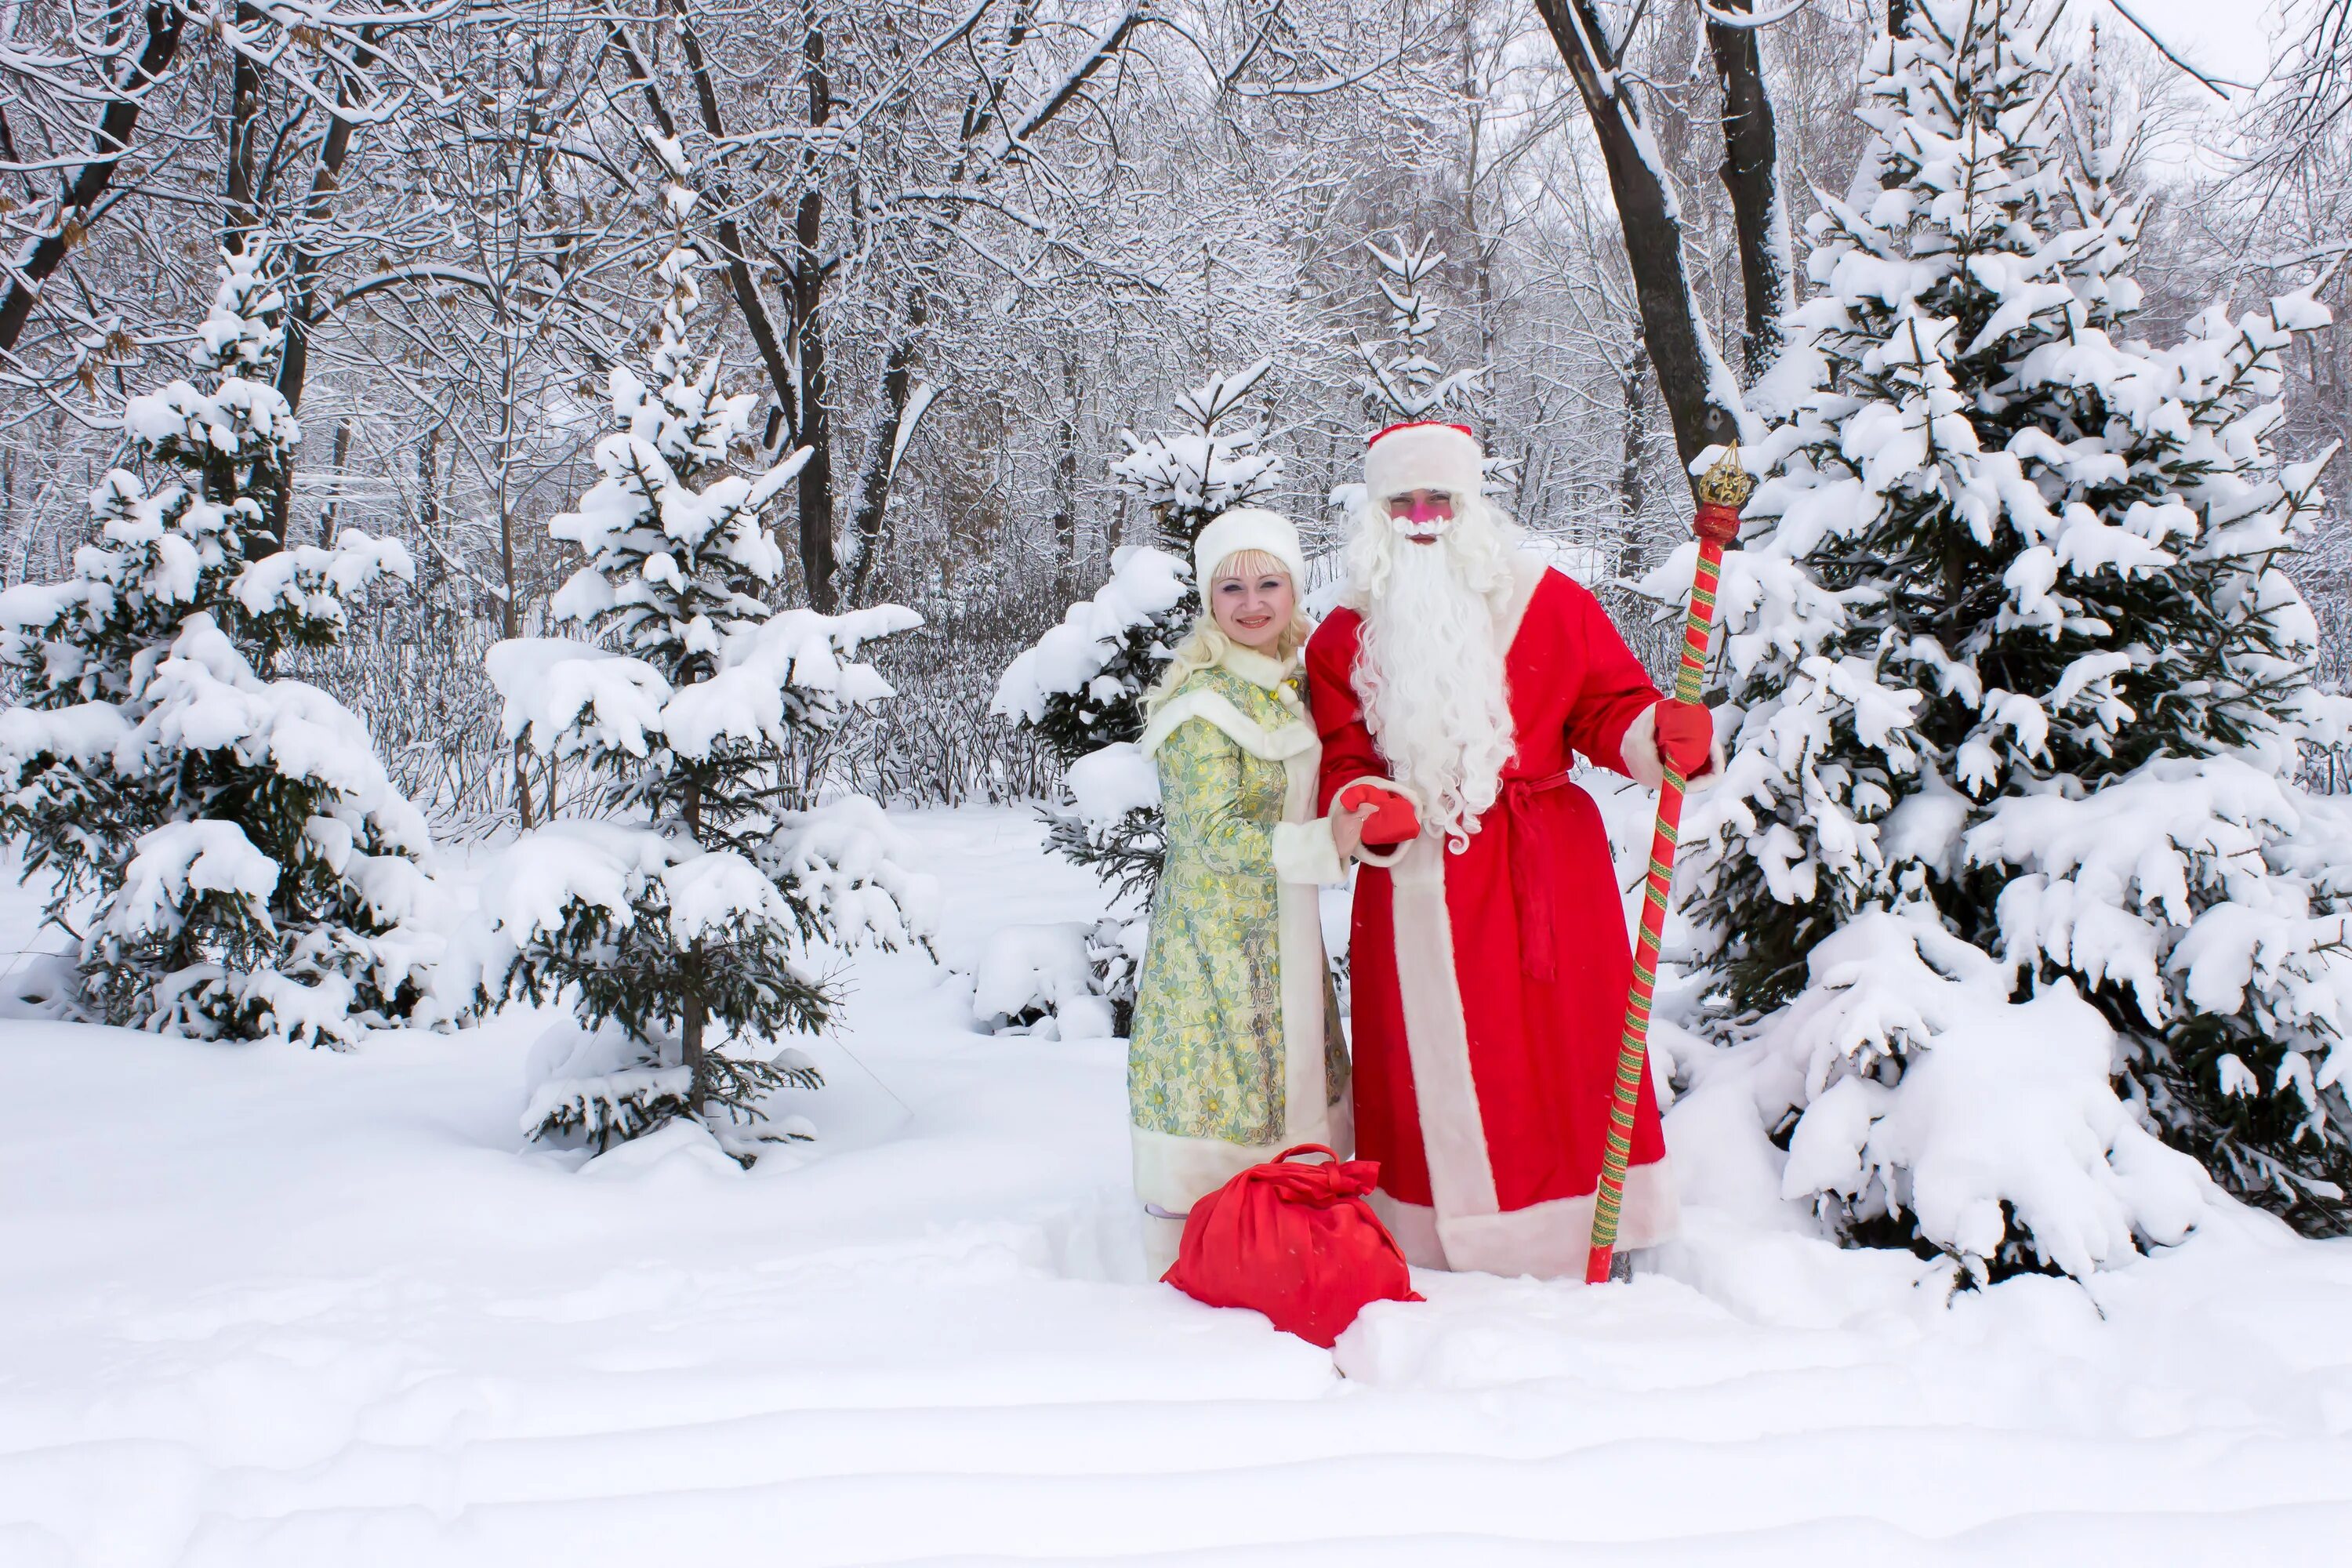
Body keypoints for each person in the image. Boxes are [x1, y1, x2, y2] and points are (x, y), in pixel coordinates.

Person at [1304, 421, 1720, 1279]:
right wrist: (1362, 801)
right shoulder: (1343, 635)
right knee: (1423, 1061)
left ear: (1472, 505)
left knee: (1560, 1050)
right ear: (1378, 516)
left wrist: (1656, 732)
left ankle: (1581, 1225)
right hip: (1412, 880)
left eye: (1440, 500)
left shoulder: (1550, 600)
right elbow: (1341, 751)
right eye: (1403, 503)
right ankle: (1426, 1231)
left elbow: (1607, 707)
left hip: (1543, 872)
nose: (1422, 519)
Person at [1128, 508, 1378, 1272]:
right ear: (1209, 598)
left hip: (1289, 920)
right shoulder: (1199, 703)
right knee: (1229, 1075)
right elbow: (1210, 833)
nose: (1252, 603)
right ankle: (1213, 1246)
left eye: (1269, 582)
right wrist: (1323, 841)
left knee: (1297, 1068)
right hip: (1217, 933)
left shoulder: (1290, 684)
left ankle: (1297, 1226)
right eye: (1231, 587)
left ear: (1294, 588)